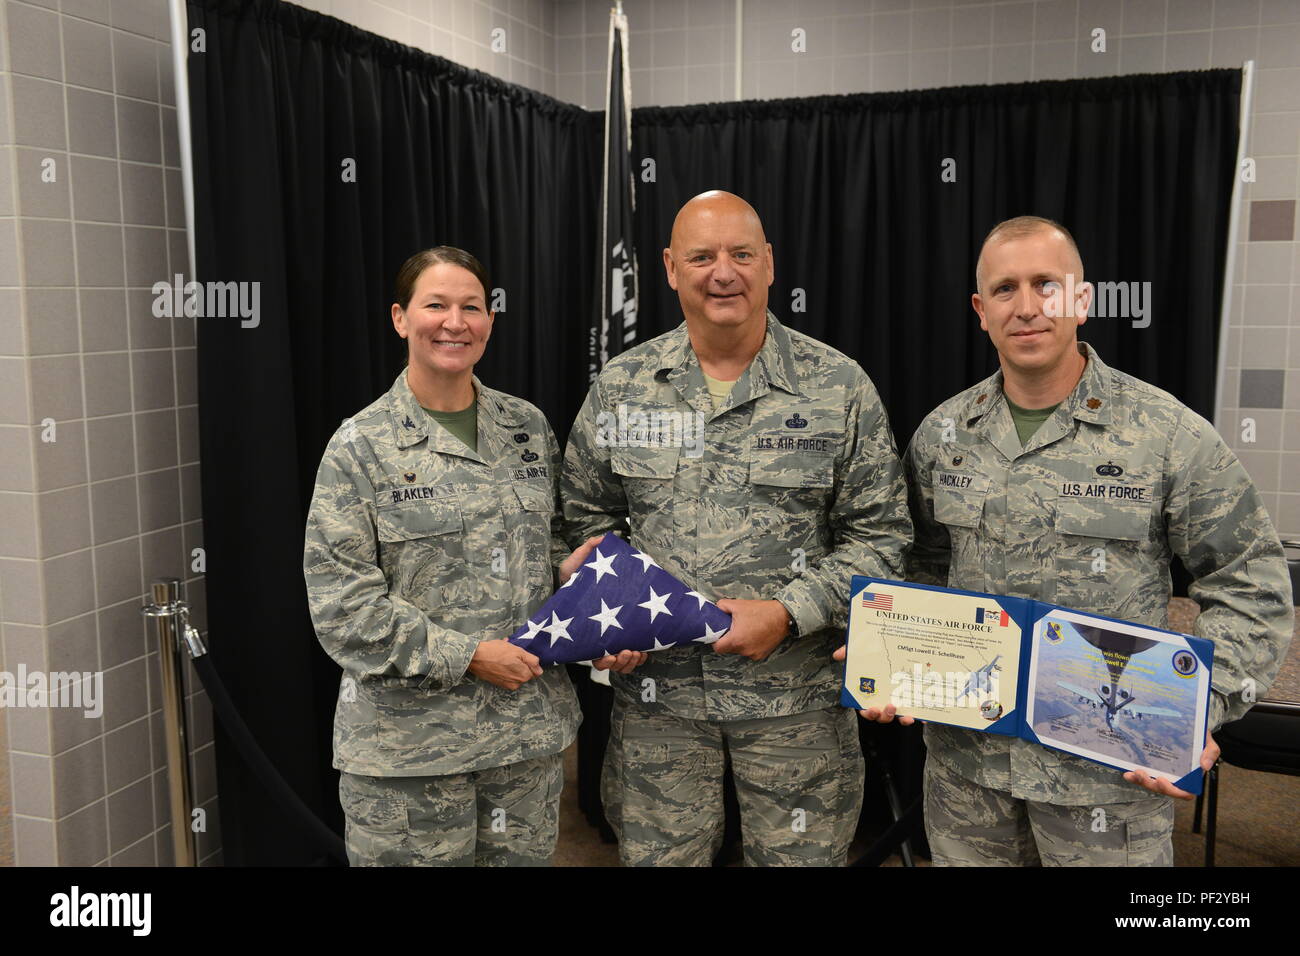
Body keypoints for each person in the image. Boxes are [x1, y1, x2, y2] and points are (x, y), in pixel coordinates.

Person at [837, 215, 1294, 866]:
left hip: (1106, 776)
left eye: (1046, 285)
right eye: (1005, 289)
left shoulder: (1165, 435)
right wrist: (894, 661)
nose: (1026, 307)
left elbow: (1253, 583)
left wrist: (1202, 704)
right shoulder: (943, 434)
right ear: (980, 310)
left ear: (1082, 300)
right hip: (969, 775)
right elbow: (919, 567)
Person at [562, 191, 913, 866]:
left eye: (741, 254)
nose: (723, 272)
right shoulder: (622, 388)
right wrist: (606, 612)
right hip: (658, 706)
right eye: (701, 255)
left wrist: (789, 612)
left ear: (770, 264)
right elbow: (583, 517)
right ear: (669, 267)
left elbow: (884, 538)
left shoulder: (838, 387)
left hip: (796, 708)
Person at [304, 246, 641, 866]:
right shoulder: (360, 446)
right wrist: (469, 657)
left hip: (525, 743)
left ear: (490, 319)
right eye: (436, 305)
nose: (454, 322)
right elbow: (343, 611)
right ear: (401, 318)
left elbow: (553, 547)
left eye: (472, 307)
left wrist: (578, 584)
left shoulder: (526, 427)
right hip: (409, 757)